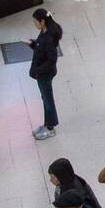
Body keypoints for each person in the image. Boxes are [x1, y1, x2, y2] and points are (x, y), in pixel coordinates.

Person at [28, 8, 62, 140]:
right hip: (42, 73)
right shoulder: (44, 32)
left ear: (42, 22)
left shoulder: (49, 38)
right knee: (45, 98)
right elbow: (40, 47)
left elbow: (52, 59)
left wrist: (38, 70)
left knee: (48, 100)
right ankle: (47, 123)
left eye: (35, 21)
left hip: (44, 74)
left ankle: (50, 127)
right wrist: (33, 45)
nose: (34, 24)